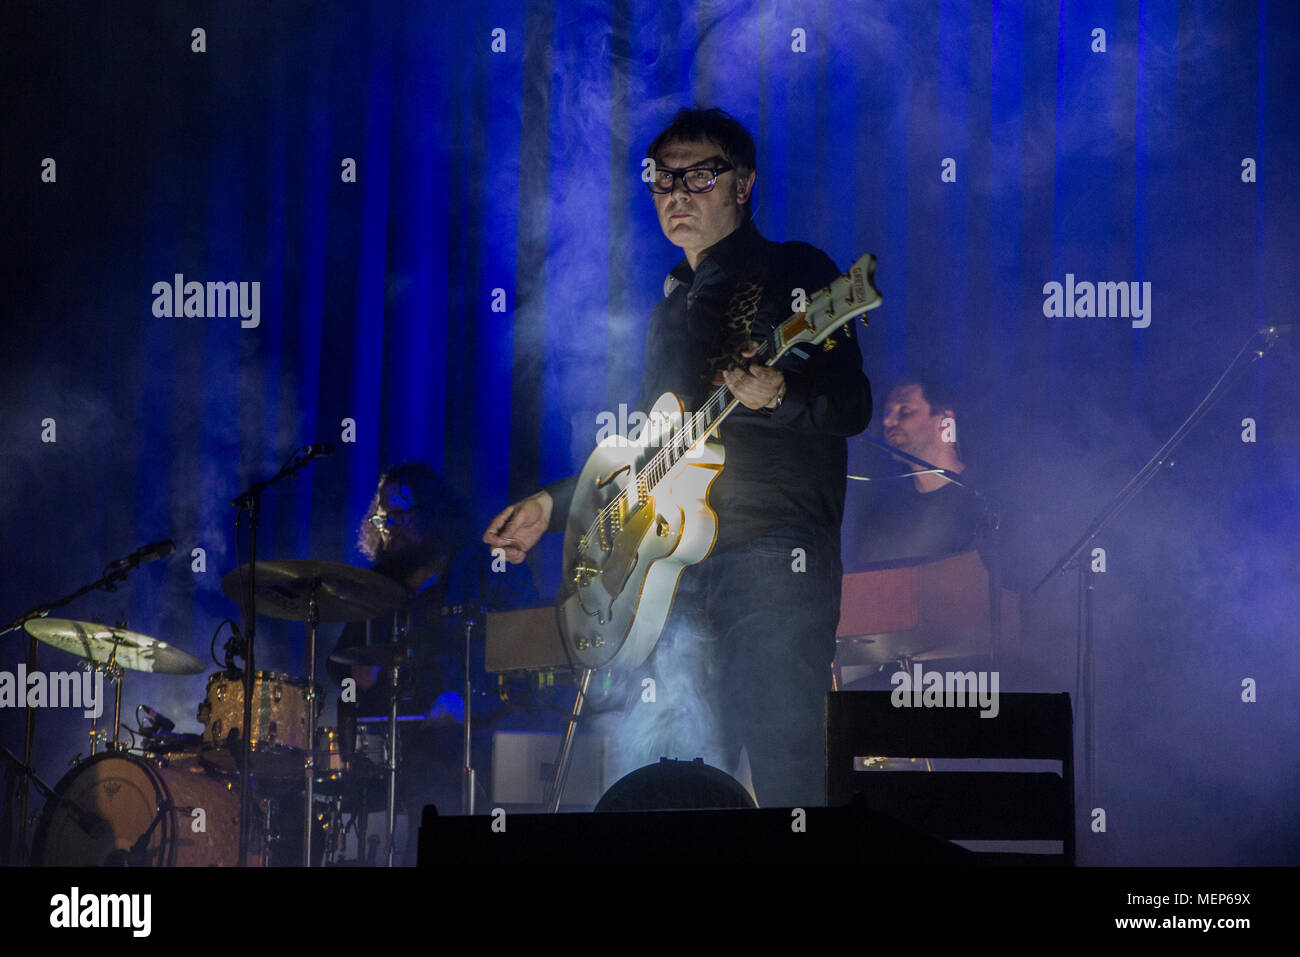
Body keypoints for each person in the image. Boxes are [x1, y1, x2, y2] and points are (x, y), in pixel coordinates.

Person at [484, 108, 871, 808]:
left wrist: (778, 387)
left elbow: (850, 405)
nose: (676, 192)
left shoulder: (797, 270)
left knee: (792, 779)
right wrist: (551, 505)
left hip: (772, 559)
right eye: (663, 178)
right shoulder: (671, 308)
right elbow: (645, 456)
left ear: (744, 185)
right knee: (679, 787)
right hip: (673, 577)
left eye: (699, 175)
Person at [327, 462, 536, 863]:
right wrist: (356, 679)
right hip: (391, 756)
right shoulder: (375, 587)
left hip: (472, 752)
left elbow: (522, 651)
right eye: (382, 517)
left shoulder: (480, 569)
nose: (389, 526)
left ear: (433, 514)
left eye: (400, 515)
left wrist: (466, 699)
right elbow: (341, 665)